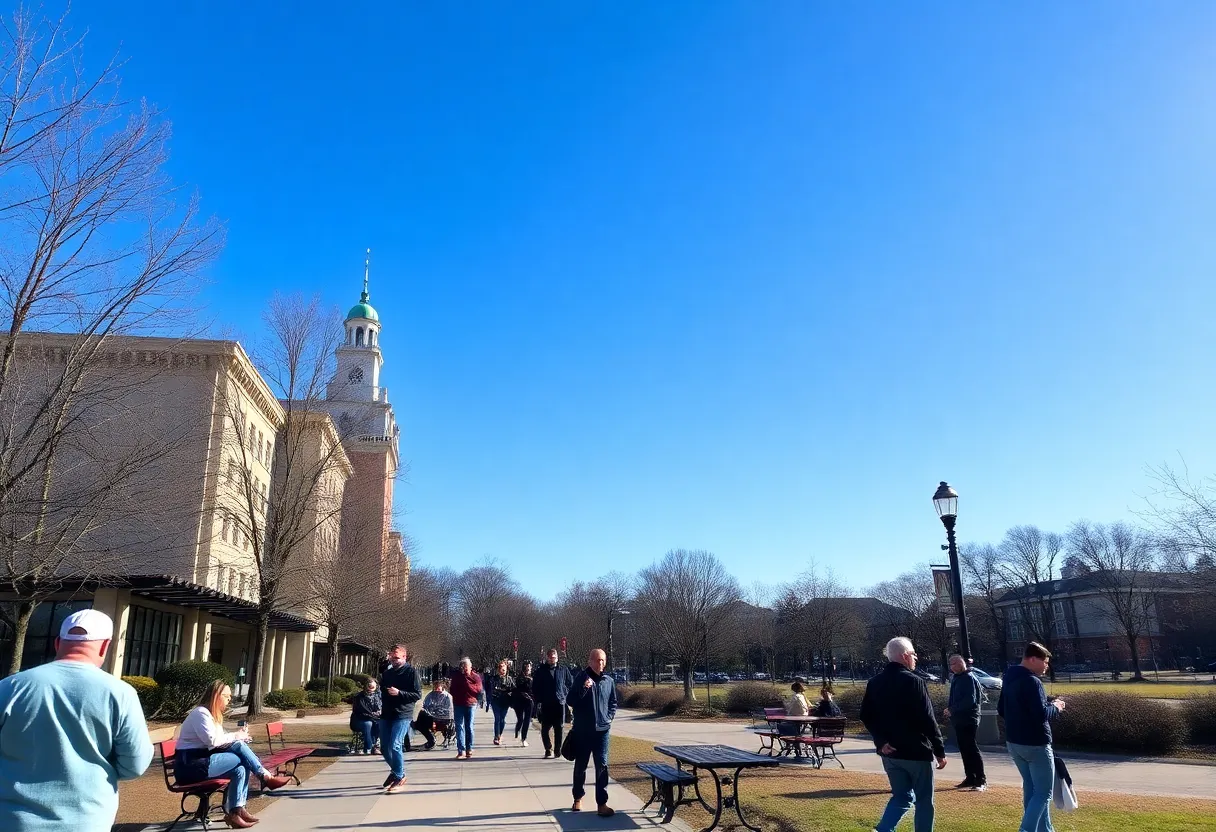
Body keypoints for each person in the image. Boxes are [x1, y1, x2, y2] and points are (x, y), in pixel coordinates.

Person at [0, 609, 153, 832]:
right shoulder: (120, 693)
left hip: (13, 820)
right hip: (88, 820)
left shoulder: (10, 687)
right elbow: (135, 766)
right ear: (105, 646)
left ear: (58, 642)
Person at [859, 637, 947, 832]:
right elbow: (928, 719)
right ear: (905, 656)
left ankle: (884, 829)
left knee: (901, 796)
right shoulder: (915, 682)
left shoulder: (874, 682)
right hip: (916, 751)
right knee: (924, 801)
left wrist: (880, 741)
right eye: (914, 654)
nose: (916, 658)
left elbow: (866, 715)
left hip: (890, 752)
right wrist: (939, 750)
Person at [177, 680, 292, 828]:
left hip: (202, 762)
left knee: (241, 768)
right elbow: (213, 741)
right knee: (240, 751)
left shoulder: (212, 716)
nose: (229, 699)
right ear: (216, 696)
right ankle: (264, 776)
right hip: (190, 766)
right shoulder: (200, 713)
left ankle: (237, 811)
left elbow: (221, 740)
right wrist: (237, 737)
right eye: (227, 696)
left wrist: (240, 736)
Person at [998, 642, 1066, 832]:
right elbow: (1041, 715)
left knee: (1031, 788)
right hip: (1036, 744)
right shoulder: (1032, 681)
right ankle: (1026, 830)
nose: (1046, 666)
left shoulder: (1009, 676)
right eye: (1045, 661)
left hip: (1014, 742)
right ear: (1033, 659)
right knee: (1044, 793)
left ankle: (1045, 829)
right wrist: (1057, 707)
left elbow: (1001, 709)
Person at [567, 648, 617, 817]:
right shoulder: (581, 678)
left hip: (602, 732)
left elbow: (613, 702)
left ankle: (602, 804)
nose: (600, 663)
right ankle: (577, 798)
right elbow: (570, 700)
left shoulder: (608, 680)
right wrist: (583, 688)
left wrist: (609, 718)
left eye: (602, 660)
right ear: (590, 661)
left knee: (602, 766)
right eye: (596, 660)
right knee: (580, 766)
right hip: (583, 731)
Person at [379, 644, 422, 793]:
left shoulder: (411, 672)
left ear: (404, 657)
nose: (394, 660)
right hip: (386, 713)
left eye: (397, 658)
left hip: (402, 714)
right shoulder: (387, 673)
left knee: (395, 744)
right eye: (392, 657)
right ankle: (398, 772)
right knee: (384, 747)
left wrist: (399, 693)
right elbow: (382, 691)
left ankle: (398, 776)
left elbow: (417, 694)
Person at [944, 654, 986, 791]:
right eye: (950, 665)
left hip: (969, 718)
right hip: (959, 718)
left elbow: (970, 700)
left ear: (961, 663)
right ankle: (970, 777)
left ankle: (981, 779)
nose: (952, 667)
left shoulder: (968, 678)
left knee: (971, 748)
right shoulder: (958, 678)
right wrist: (950, 709)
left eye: (954, 664)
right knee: (964, 748)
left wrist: (952, 709)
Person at [533, 647, 572, 759]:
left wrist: (565, 694)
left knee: (559, 728)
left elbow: (570, 682)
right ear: (547, 658)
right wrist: (539, 700)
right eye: (550, 657)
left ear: (557, 658)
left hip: (559, 704)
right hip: (546, 703)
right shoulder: (541, 671)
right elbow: (535, 687)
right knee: (545, 729)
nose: (552, 659)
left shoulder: (563, 669)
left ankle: (557, 750)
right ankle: (547, 747)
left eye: (554, 657)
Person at [448, 657, 483, 759]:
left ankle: (469, 748)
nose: (464, 668)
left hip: (471, 704)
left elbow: (478, 690)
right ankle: (460, 750)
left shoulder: (476, 677)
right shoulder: (456, 677)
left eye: (466, 666)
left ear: (470, 667)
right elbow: (452, 690)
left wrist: (467, 683)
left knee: (469, 727)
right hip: (458, 704)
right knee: (459, 727)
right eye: (462, 666)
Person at [413, 680, 454, 750]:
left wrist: (438, 711)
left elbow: (449, 709)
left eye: (438, 689)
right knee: (419, 721)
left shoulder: (447, 696)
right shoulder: (431, 695)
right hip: (432, 716)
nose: (437, 691)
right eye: (435, 689)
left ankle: (446, 737)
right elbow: (426, 705)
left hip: (444, 718)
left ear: (443, 688)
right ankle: (431, 739)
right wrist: (427, 710)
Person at [349, 679, 382, 755]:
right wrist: (374, 714)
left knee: (381, 723)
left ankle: (375, 746)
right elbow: (362, 711)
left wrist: (381, 712)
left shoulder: (380, 696)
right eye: (369, 686)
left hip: (376, 719)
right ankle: (369, 747)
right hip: (360, 719)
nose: (370, 689)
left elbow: (384, 708)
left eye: (372, 687)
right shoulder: (359, 697)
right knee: (368, 724)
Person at [489, 659, 516, 745]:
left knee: (502, 720)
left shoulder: (509, 679)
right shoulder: (494, 679)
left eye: (504, 668)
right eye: (500, 668)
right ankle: (496, 736)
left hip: (505, 701)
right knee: (497, 718)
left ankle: (500, 733)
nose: (502, 670)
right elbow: (492, 689)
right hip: (496, 701)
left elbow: (514, 689)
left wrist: (509, 691)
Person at [513, 660, 536, 747]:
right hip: (519, 700)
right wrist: (527, 680)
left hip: (529, 701)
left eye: (529, 667)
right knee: (520, 719)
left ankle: (524, 738)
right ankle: (517, 730)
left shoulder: (533, 677)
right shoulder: (519, 678)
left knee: (527, 720)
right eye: (527, 668)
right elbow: (520, 687)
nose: (529, 669)